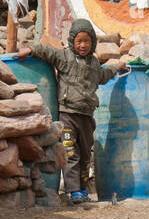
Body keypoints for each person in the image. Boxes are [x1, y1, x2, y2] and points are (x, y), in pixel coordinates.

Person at [18, 18, 125, 203]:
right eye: (79, 41)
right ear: (72, 42)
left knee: (85, 154)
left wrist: (116, 67)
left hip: (86, 116)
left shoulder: (94, 64)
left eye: (87, 41)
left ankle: (83, 190)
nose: (83, 45)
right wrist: (31, 50)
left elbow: (103, 76)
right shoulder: (65, 57)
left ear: (92, 43)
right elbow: (48, 52)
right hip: (68, 115)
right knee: (70, 152)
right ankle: (73, 191)